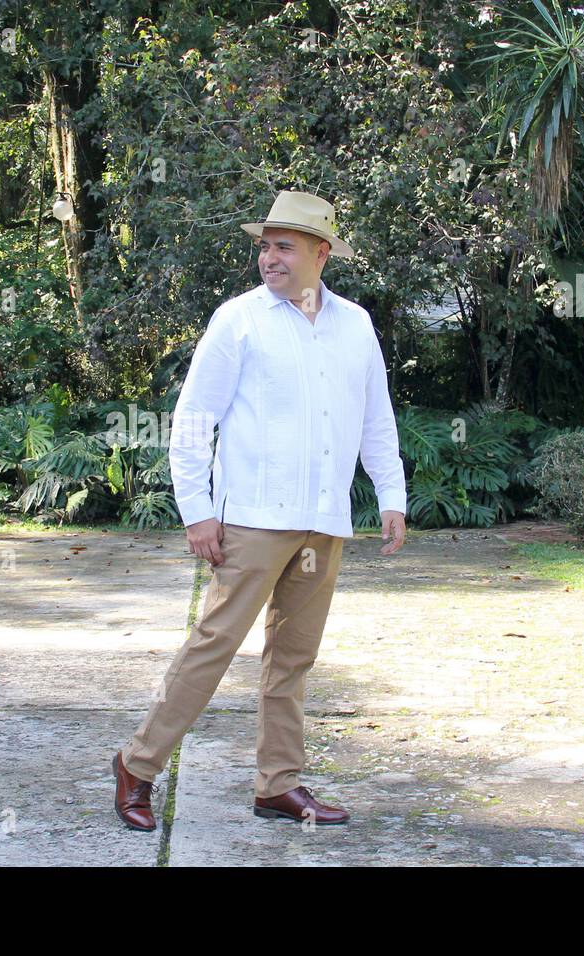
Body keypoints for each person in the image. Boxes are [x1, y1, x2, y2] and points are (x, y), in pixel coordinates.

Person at [111, 189, 408, 831]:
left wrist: (391, 494)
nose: (269, 258)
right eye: (265, 246)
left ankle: (278, 784)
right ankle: (137, 765)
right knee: (212, 646)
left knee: (293, 659)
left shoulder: (354, 324)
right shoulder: (237, 319)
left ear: (321, 252)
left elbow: (374, 417)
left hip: (323, 520)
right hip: (250, 519)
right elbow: (195, 420)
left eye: (284, 246)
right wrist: (196, 509)